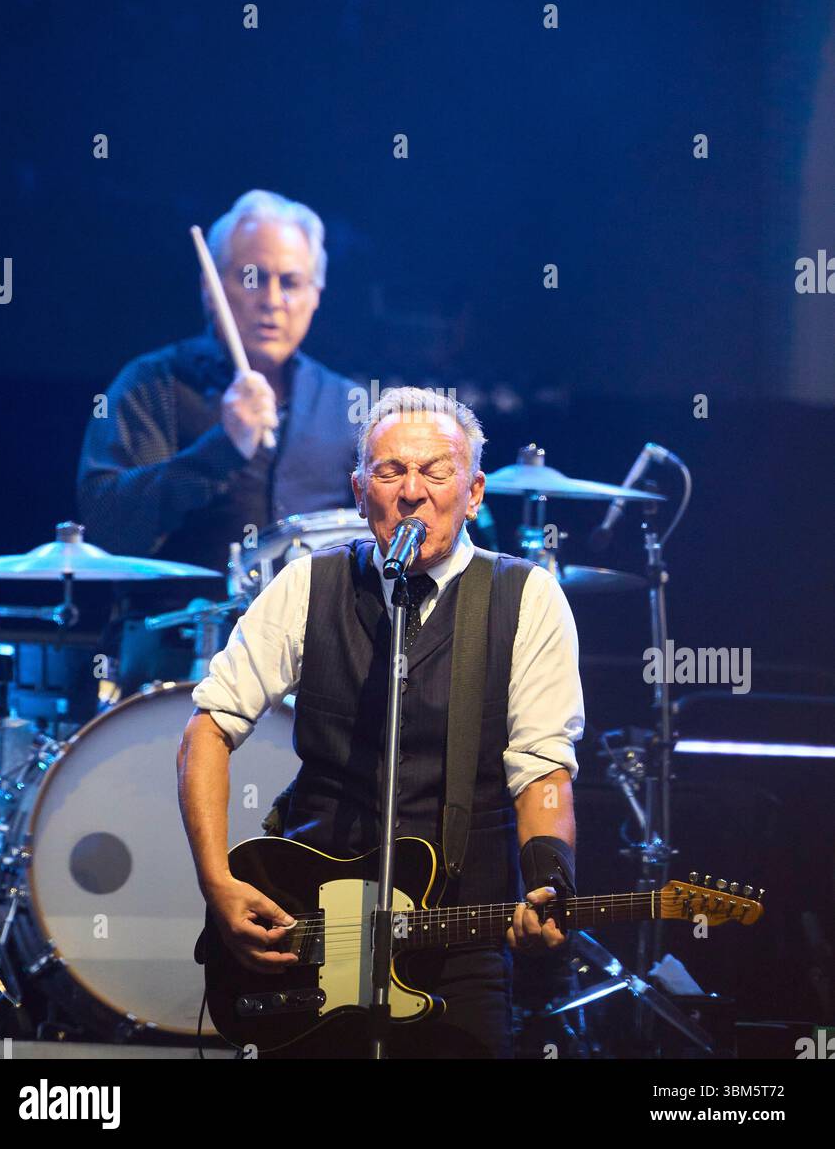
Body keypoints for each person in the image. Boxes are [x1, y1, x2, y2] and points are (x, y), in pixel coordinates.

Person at [177, 387, 585, 1059]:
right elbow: (209, 727)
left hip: (457, 943)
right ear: (360, 491)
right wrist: (217, 881)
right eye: (391, 472)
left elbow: (542, 769)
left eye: (435, 472)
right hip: (308, 932)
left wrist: (549, 879)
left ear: (475, 491)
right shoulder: (310, 584)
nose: (412, 493)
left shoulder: (526, 599)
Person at [76, 189, 356, 573]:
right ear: (211, 288)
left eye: (290, 283)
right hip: (180, 628)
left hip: (310, 633)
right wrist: (222, 450)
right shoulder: (154, 385)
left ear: (315, 295)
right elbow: (108, 528)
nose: (272, 300)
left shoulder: (347, 406)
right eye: (252, 278)